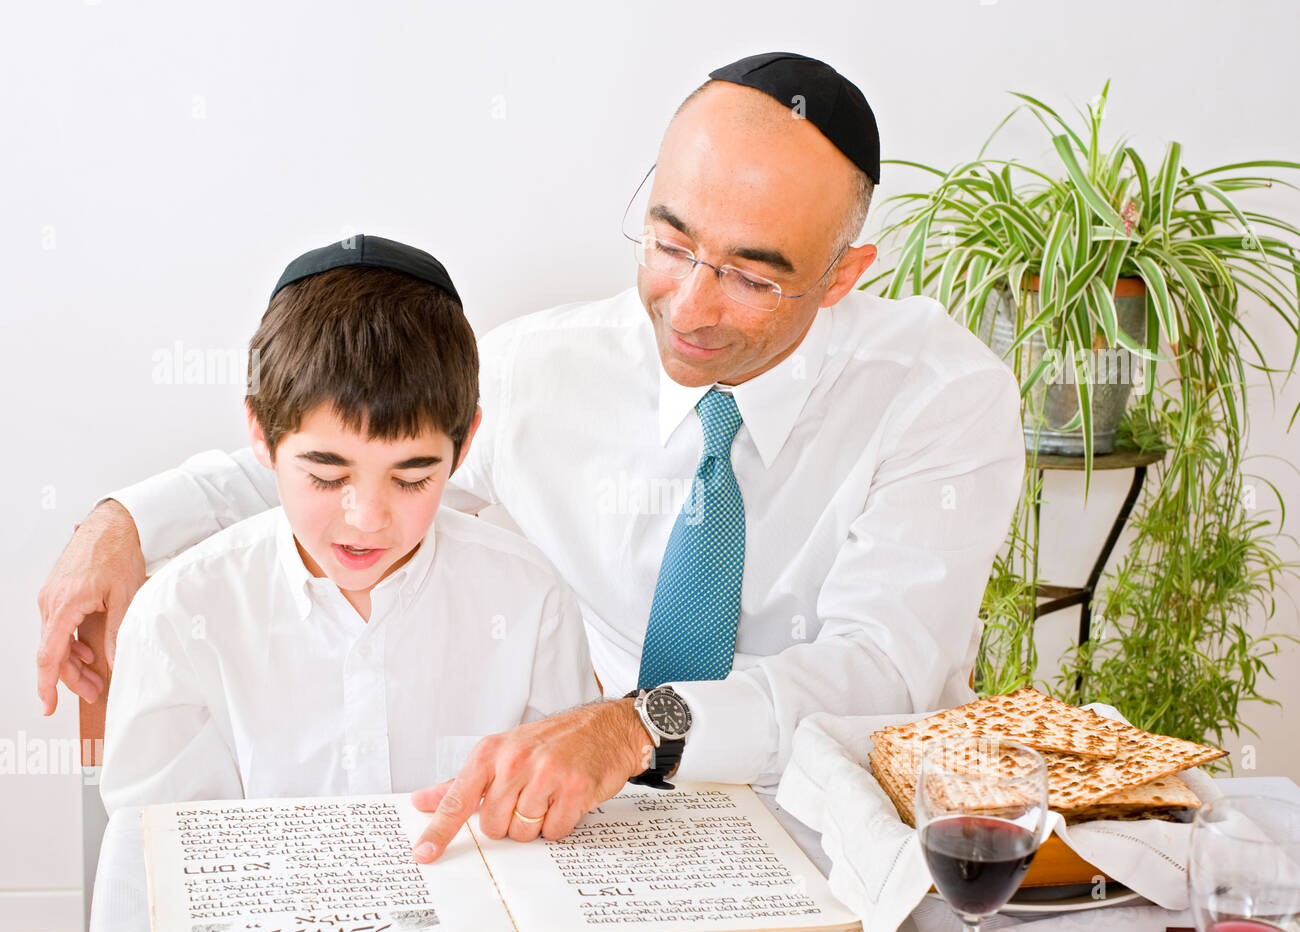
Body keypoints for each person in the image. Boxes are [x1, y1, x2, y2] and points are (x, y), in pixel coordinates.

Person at [40, 53, 1023, 860]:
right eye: (671, 242)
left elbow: (885, 668)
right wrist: (126, 521)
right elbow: (354, 452)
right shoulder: (540, 369)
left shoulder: (937, 395)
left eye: (750, 276)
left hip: (830, 825)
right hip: (594, 834)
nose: (688, 308)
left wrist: (643, 722)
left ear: (844, 273)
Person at [97, 237, 600, 816]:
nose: (366, 519)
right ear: (261, 433)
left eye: (411, 478)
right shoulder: (180, 617)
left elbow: (560, 830)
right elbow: (155, 869)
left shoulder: (531, 601)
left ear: (463, 448)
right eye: (327, 476)